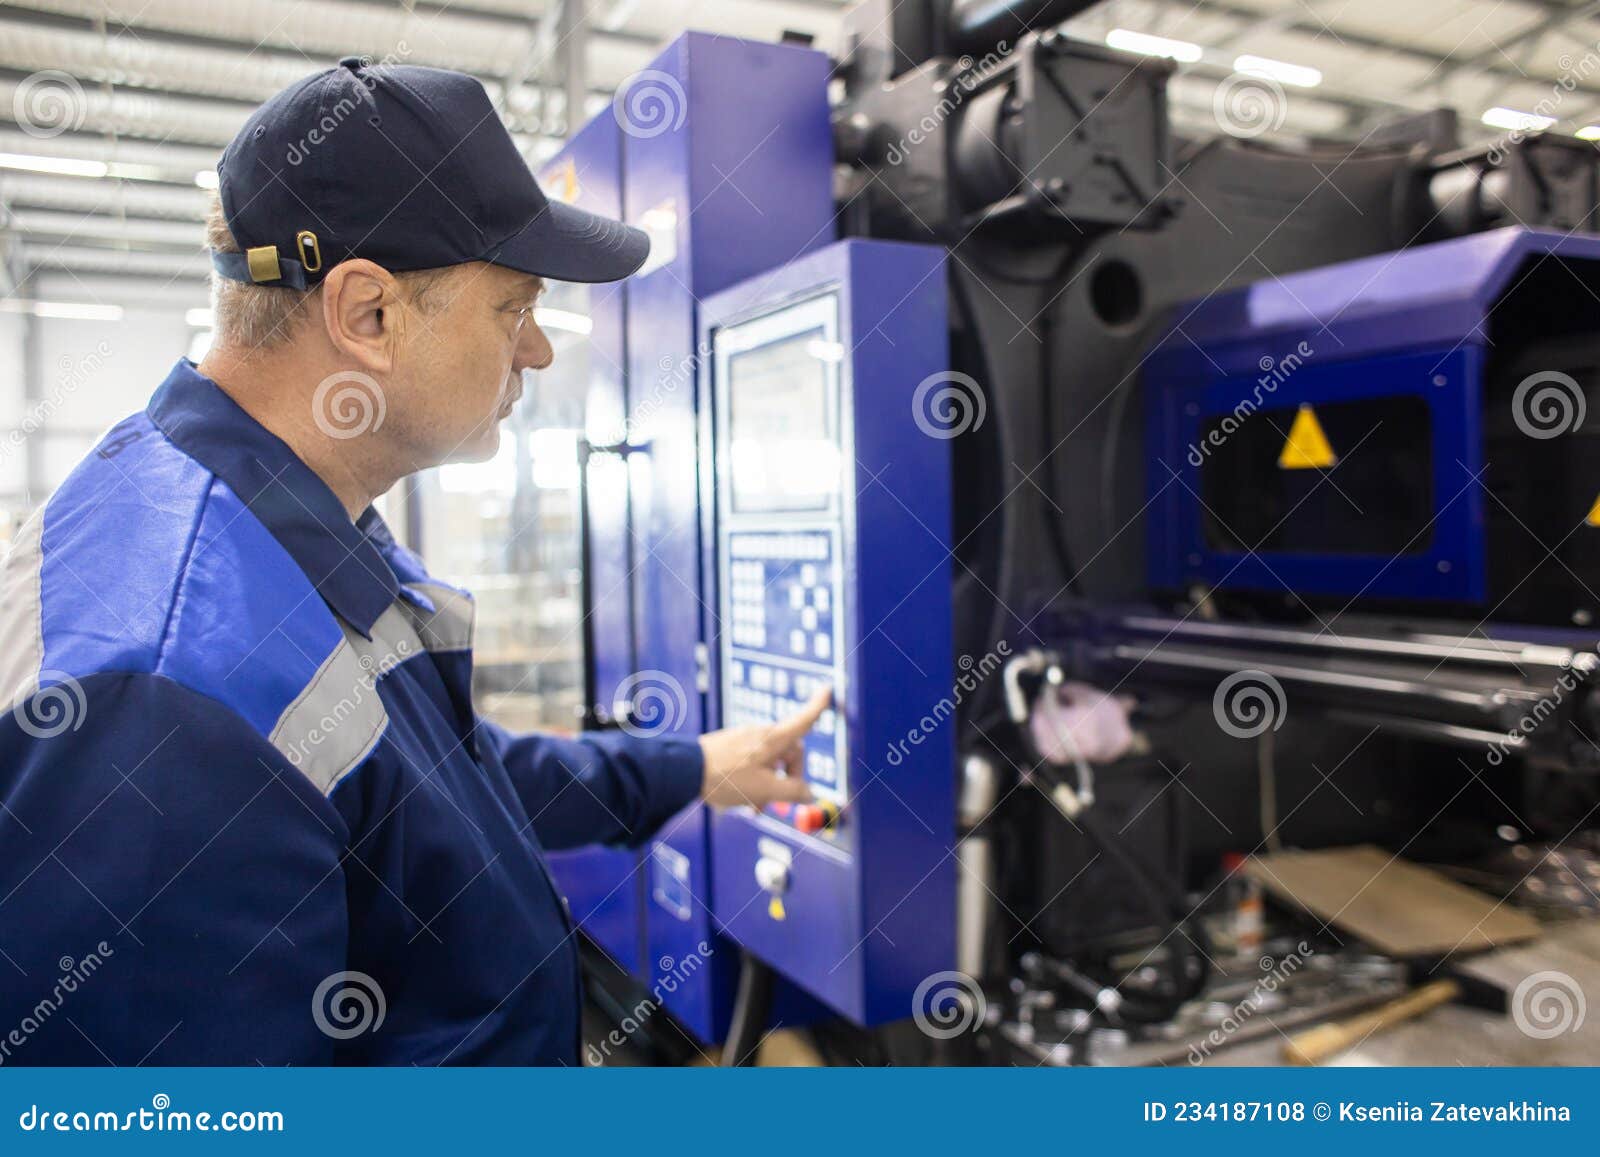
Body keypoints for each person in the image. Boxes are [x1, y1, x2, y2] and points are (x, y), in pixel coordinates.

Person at [0, 59, 824, 1065]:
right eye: (511, 308)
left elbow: (430, 795)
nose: (537, 353)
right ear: (368, 315)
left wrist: (691, 765)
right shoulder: (168, 700)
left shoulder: (277, 515)